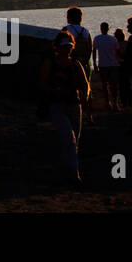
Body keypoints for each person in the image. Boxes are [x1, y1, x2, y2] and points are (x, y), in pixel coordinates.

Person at [38, 31, 89, 183]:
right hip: (57, 105)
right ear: (57, 47)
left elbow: (85, 84)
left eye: (70, 45)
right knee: (69, 138)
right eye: (64, 45)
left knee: (75, 140)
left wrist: (85, 99)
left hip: (74, 104)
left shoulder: (75, 64)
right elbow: (42, 84)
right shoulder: (50, 64)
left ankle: (69, 169)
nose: (67, 48)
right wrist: (54, 92)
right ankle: (75, 174)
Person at [93, 22, 120, 112]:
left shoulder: (97, 38)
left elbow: (94, 52)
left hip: (103, 64)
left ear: (101, 28)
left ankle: (107, 103)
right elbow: (117, 52)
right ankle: (115, 103)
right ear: (108, 29)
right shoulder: (113, 39)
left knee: (105, 85)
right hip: (113, 64)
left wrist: (94, 64)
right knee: (114, 85)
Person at [64, 7, 93, 87]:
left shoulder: (66, 30)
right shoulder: (85, 31)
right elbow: (90, 48)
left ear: (69, 17)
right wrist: (85, 60)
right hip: (84, 61)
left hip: (70, 63)